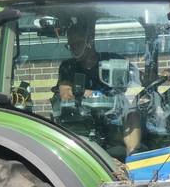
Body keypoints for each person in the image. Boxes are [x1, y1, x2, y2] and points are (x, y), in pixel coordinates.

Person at [55, 22, 141, 157]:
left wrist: (166, 74)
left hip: (114, 118)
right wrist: (89, 94)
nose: (72, 49)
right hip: (81, 119)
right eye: (69, 45)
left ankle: (133, 159)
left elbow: (140, 79)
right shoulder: (68, 66)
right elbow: (65, 93)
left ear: (89, 42)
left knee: (132, 113)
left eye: (76, 44)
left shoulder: (114, 60)